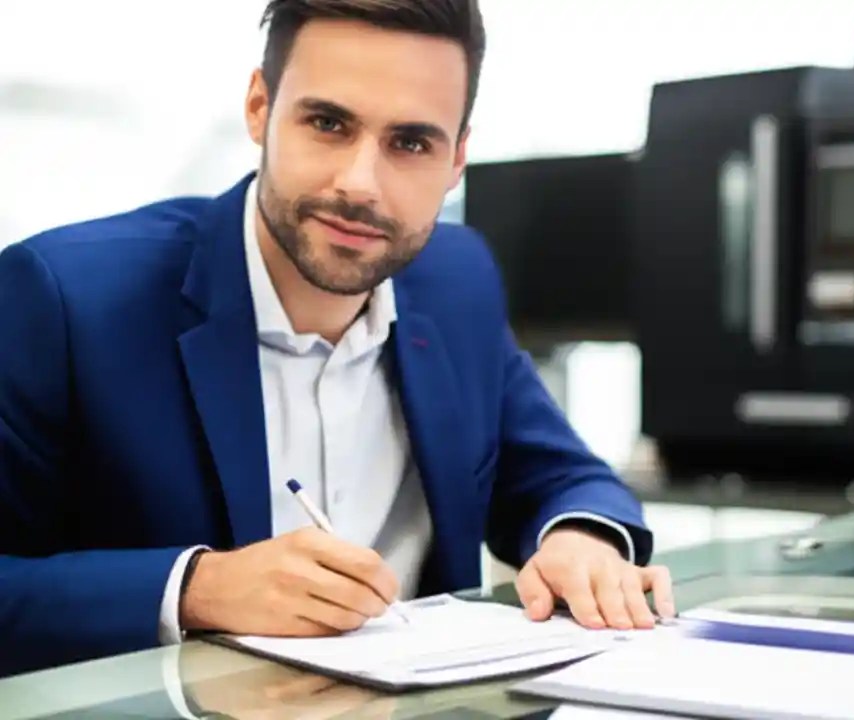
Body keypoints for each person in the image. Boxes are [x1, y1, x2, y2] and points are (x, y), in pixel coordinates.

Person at [0, 0, 674, 678]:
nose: (360, 184)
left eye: (410, 143)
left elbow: (557, 474)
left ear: (458, 157)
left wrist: (581, 540)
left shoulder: (455, 278)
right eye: (328, 123)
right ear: (260, 107)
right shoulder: (65, 299)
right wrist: (198, 589)